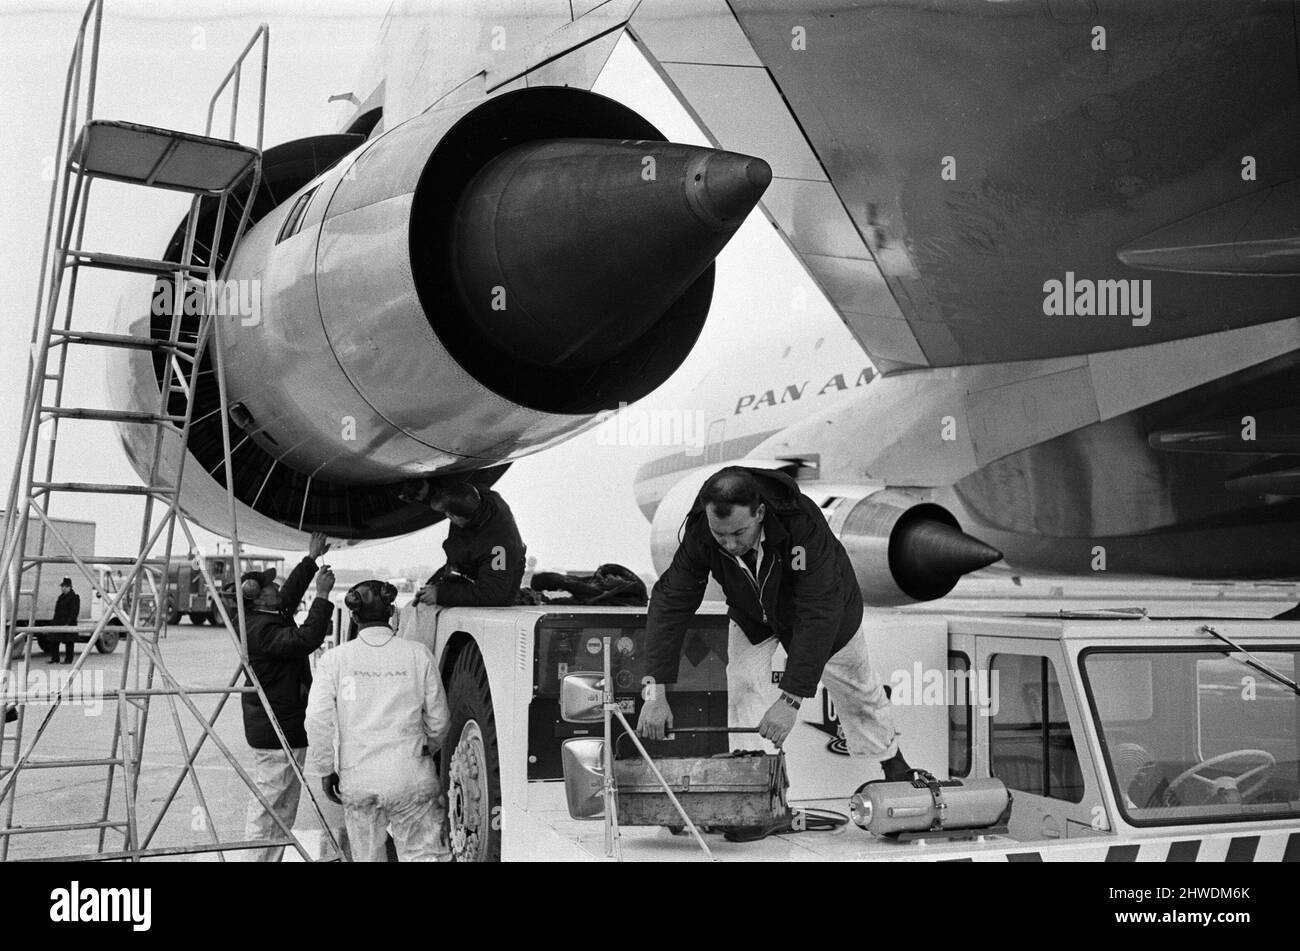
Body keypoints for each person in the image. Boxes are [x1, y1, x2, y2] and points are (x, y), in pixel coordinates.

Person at [637, 466, 914, 783]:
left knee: (856, 689)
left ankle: (892, 765)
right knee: (743, 682)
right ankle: (754, 780)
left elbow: (817, 610)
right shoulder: (701, 530)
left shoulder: (801, 527)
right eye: (720, 535)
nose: (729, 544)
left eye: (738, 533)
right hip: (754, 613)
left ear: (759, 513)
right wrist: (654, 691)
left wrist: (790, 700)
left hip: (825, 610)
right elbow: (671, 601)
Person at [305, 579, 451, 862]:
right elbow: (439, 721)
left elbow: (316, 720)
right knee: (425, 857)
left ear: (353, 616)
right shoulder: (418, 654)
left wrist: (325, 769)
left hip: (359, 780)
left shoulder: (334, 660)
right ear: (392, 613)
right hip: (412, 777)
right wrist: (421, 752)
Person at [238, 531, 335, 861]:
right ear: (258, 598)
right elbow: (307, 638)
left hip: (279, 728)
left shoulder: (263, 616)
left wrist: (311, 559)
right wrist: (322, 596)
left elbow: (289, 594)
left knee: (281, 809)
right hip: (276, 732)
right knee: (270, 810)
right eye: (269, 586)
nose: (276, 586)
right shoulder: (262, 631)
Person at [400, 480, 526, 607]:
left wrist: (440, 594)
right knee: (430, 589)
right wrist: (426, 493)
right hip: (467, 560)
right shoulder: (480, 496)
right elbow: (457, 493)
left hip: (496, 588)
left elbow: (493, 593)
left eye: (450, 515)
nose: (448, 516)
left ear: (458, 517)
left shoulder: (499, 548)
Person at [48, 577, 80, 665]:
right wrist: (53, 623)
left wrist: (68, 623)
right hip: (58, 623)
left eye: (65, 586)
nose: (63, 588)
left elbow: (74, 612)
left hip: (68, 623)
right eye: (62, 586)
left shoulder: (74, 597)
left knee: (69, 642)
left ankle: (68, 660)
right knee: (53, 640)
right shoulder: (60, 597)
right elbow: (57, 611)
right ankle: (55, 658)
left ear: (70, 587)